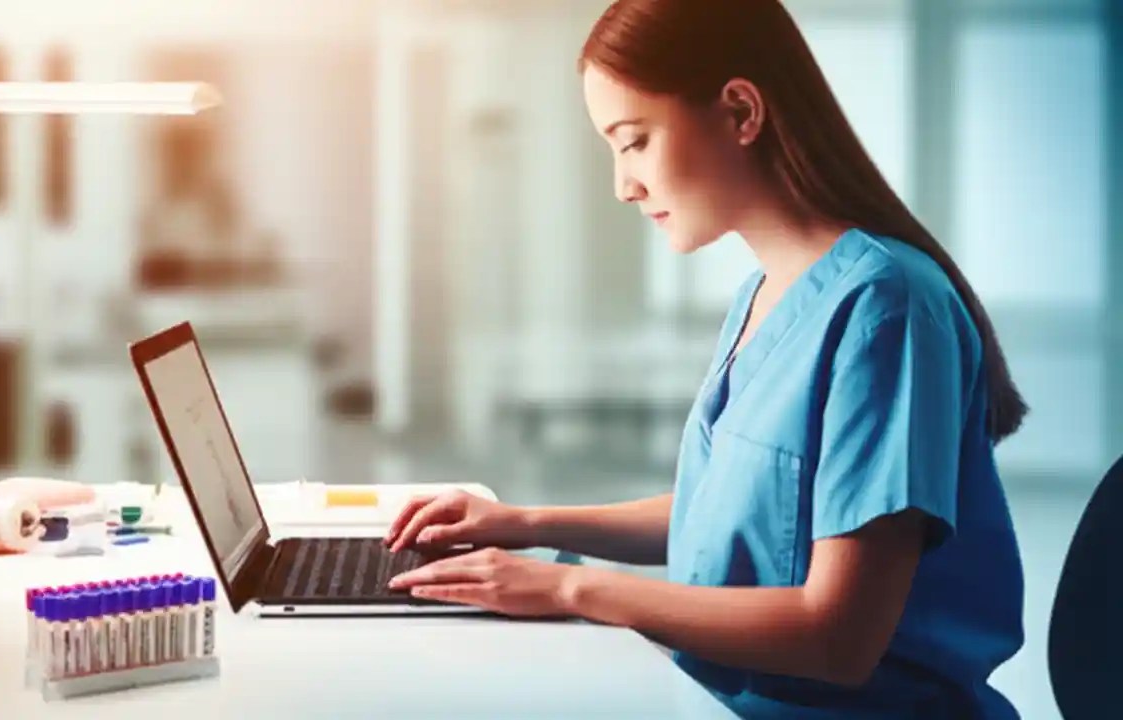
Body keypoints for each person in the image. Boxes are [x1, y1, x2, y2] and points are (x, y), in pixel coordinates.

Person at [382, 0, 1028, 717]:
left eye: (634, 142)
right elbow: (727, 512)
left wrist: (571, 589)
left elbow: (839, 637)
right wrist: (527, 524)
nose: (623, 185)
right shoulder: (768, 293)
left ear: (741, 112)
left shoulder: (887, 307)